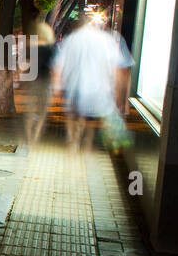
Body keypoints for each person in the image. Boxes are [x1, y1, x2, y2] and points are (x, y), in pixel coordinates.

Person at [53, 13, 132, 154]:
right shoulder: (107, 40)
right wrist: (121, 97)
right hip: (100, 89)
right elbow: (118, 69)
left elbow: (58, 66)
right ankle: (89, 146)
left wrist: (57, 87)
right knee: (95, 120)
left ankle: (73, 143)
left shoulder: (71, 40)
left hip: (74, 88)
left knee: (75, 116)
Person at [21, 19, 56, 146]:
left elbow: (22, 66)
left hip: (31, 83)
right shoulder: (50, 49)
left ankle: (29, 137)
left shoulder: (29, 47)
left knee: (29, 111)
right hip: (45, 83)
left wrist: (22, 80)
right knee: (42, 112)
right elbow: (54, 68)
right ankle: (36, 136)